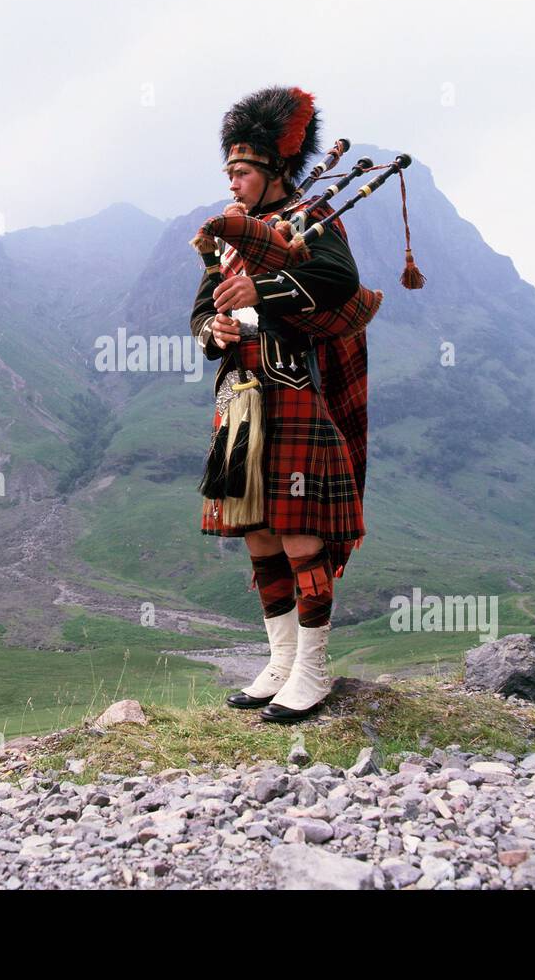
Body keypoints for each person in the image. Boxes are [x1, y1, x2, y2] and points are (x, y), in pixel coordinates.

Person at [190, 86, 368, 723]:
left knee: (299, 533)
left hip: (292, 391)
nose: (232, 182)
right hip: (241, 400)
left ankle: (314, 671)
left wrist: (259, 289)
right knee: (258, 533)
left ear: (275, 169)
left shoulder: (310, 220)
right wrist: (215, 330)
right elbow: (199, 313)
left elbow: (338, 279)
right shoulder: (229, 238)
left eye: (241, 171)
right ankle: (281, 659)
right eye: (229, 171)